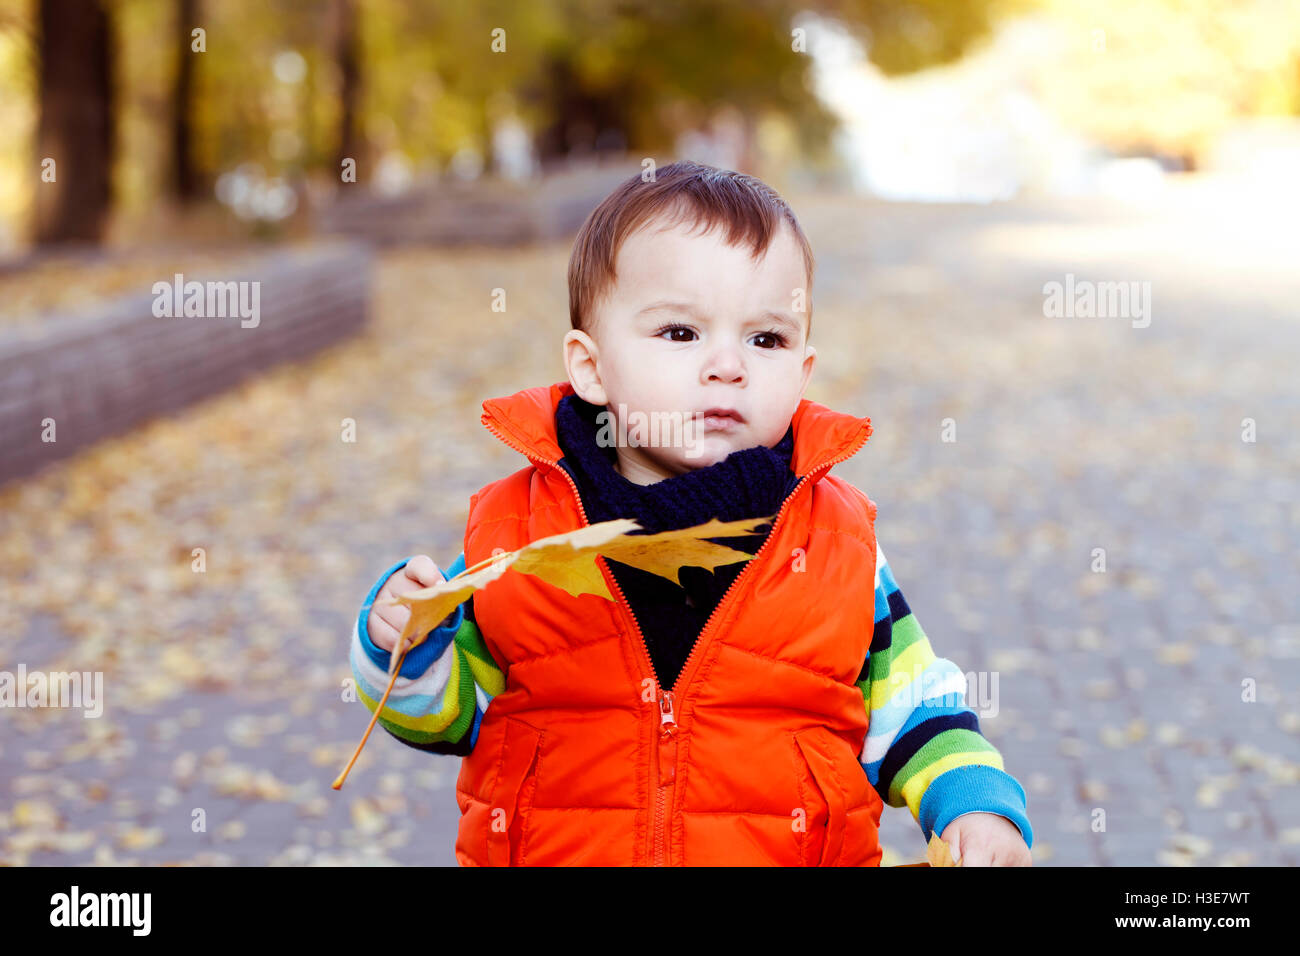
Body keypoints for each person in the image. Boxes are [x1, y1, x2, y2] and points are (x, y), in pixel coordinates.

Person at [349, 159, 1033, 866]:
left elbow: (917, 707)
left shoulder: (835, 544)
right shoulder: (520, 537)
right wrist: (403, 644)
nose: (727, 365)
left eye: (765, 339)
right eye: (681, 332)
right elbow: (442, 716)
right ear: (591, 367)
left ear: (802, 371)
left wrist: (976, 805)